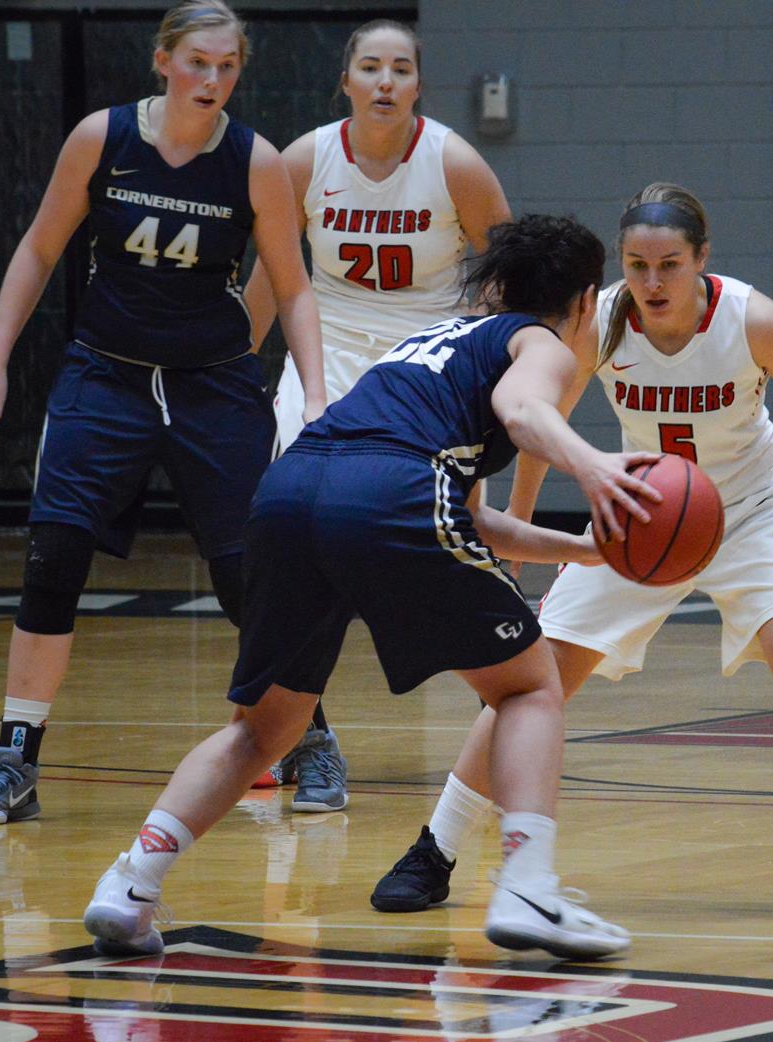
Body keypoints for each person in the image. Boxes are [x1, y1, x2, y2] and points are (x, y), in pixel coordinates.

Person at [82, 213, 655, 961]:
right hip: (391, 491)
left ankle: (130, 883)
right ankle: (528, 885)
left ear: (497, 283)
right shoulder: (537, 343)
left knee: (263, 728)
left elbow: (469, 518)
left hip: (291, 490)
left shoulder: (427, 344)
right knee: (528, 688)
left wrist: (581, 548)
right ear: (585, 302)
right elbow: (521, 413)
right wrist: (594, 465)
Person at [370, 182, 773, 921]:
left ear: (701, 259)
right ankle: (435, 848)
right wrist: (516, 531)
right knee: (528, 680)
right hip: (643, 512)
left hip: (753, 512)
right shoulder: (599, 321)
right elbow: (542, 421)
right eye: (636, 263)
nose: (652, 281)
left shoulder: (753, 320)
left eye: (669, 264)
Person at [0, 0, 324, 826]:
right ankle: (15, 758)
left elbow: (292, 288)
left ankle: (309, 731)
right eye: (198, 62)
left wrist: (317, 391)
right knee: (53, 555)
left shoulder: (254, 161)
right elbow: (40, 247)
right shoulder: (101, 137)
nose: (213, 80)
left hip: (214, 383)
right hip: (106, 377)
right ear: (163, 60)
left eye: (228, 67)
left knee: (247, 572)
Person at [244, 18, 512, 809]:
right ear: (348, 81)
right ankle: (304, 735)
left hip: (427, 365)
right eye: (371, 67)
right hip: (325, 355)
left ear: (418, 85)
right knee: (287, 541)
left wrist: (484, 350)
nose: (386, 81)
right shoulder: (304, 159)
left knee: (448, 543)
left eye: (401, 68)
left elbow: (510, 273)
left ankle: (504, 720)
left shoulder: (453, 160)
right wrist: (230, 372)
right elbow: (273, 275)